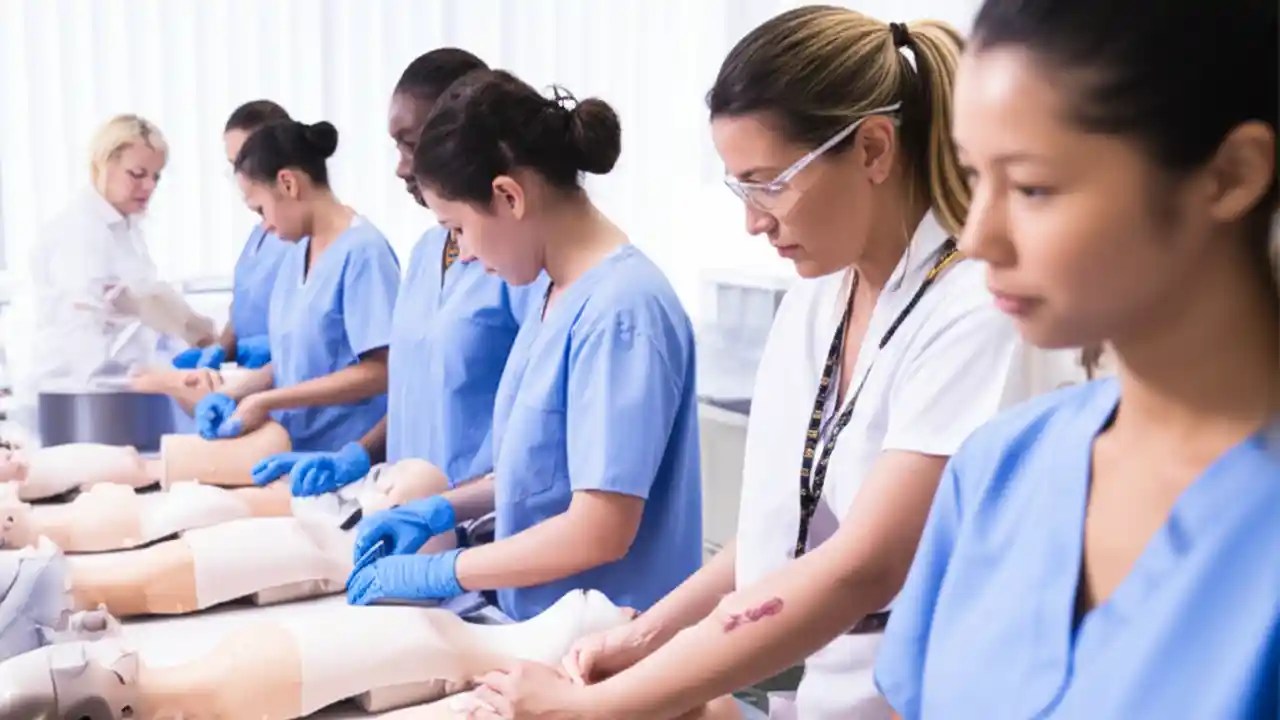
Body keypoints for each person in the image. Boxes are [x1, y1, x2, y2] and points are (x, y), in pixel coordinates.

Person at [465, 7, 1082, 720]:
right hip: (825, 694)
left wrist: (602, 707)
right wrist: (644, 638)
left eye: (768, 183)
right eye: (740, 188)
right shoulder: (819, 300)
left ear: (874, 150)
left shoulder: (976, 309)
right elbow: (776, 539)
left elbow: (864, 567)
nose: (754, 220)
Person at [873, 1, 1279, 718]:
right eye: (974, 178)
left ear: (1229, 176)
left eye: (1032, 188)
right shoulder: (998, 469)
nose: (976, 239)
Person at [344, 70, 703, 625]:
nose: (460, 253)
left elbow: (598, 530)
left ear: (508, 196)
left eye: (458, 228)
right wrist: (441, 508)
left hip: (611, 645)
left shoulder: (622, 313)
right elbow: (538, 478)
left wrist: (450, 569)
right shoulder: (554, 294)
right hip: (540, 630)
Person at [251, 48, 543, 498]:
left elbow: (535, 435)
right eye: (397, 146)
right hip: (406, 507)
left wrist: (453, 509)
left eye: (412, 144)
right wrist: (357, 454)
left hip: (476, 525)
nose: (402, 166)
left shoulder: (524, 266)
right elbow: (413, 394)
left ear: (460, 137)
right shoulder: (428, 252)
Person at [193, 120, 400, 457]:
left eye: (261, 209)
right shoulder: (295, 253)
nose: (265, 225)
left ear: (288, 183)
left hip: (347, 455)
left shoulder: (364, 253)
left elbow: (382, 371)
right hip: (296, 450)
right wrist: (234, 394)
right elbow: (297, 363)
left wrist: (269, 400)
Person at [30, 114, 213, 390]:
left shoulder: (125, 228)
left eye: (156, 176)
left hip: (113, 383)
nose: (150, 186)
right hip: (78, 388)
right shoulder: (79, 234)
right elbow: (84, 336)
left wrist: (197, 333)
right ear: (102, 164)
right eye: (137, 174)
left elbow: (142, 303)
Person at [172, 100, 293, 371]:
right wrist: (218, 352)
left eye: (244, 162)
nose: (240, 177)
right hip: (256, 382)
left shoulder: (307, 238)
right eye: (233, 164)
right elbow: (243, 312)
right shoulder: (259, 235)